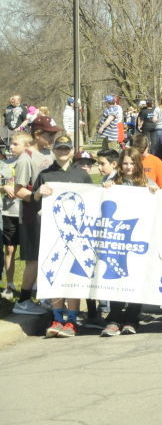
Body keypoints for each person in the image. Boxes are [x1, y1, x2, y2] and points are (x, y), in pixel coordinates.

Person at [33, 133, 93, 337]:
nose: (63, 152)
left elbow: (92, 202)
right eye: (60, 148)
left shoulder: (81, 175)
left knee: (72, 277)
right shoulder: (45, 174)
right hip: (52, 234)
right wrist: (39, 192)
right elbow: (34, 199)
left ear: (71, 151)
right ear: (54, 150)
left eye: (66, 148)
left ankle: (72, 321)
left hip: (76, 235)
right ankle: (57, 318)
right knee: (55, 276)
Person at [10, 115, 61, 315]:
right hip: (32, 216)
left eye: (54, 134)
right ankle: (23, 301)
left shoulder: (50, 154)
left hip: (50, 215)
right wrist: (36, 195)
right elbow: (18, 190)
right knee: (34, 259)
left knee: (47, 256)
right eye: (49, 134)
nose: (52, 138)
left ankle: (45, 295)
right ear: (37, 134)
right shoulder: (26, 158)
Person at [0, 131, 30, 300]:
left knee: (28, 251)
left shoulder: (30, 163)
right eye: (10, 144)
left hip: (27, 212)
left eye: (15, 144)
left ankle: (30, 284)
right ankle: (9, 284)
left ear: (27, 146)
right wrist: (4, 188)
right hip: (8, 211)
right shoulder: (4, 164)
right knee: (10, 248)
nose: (10, 147)